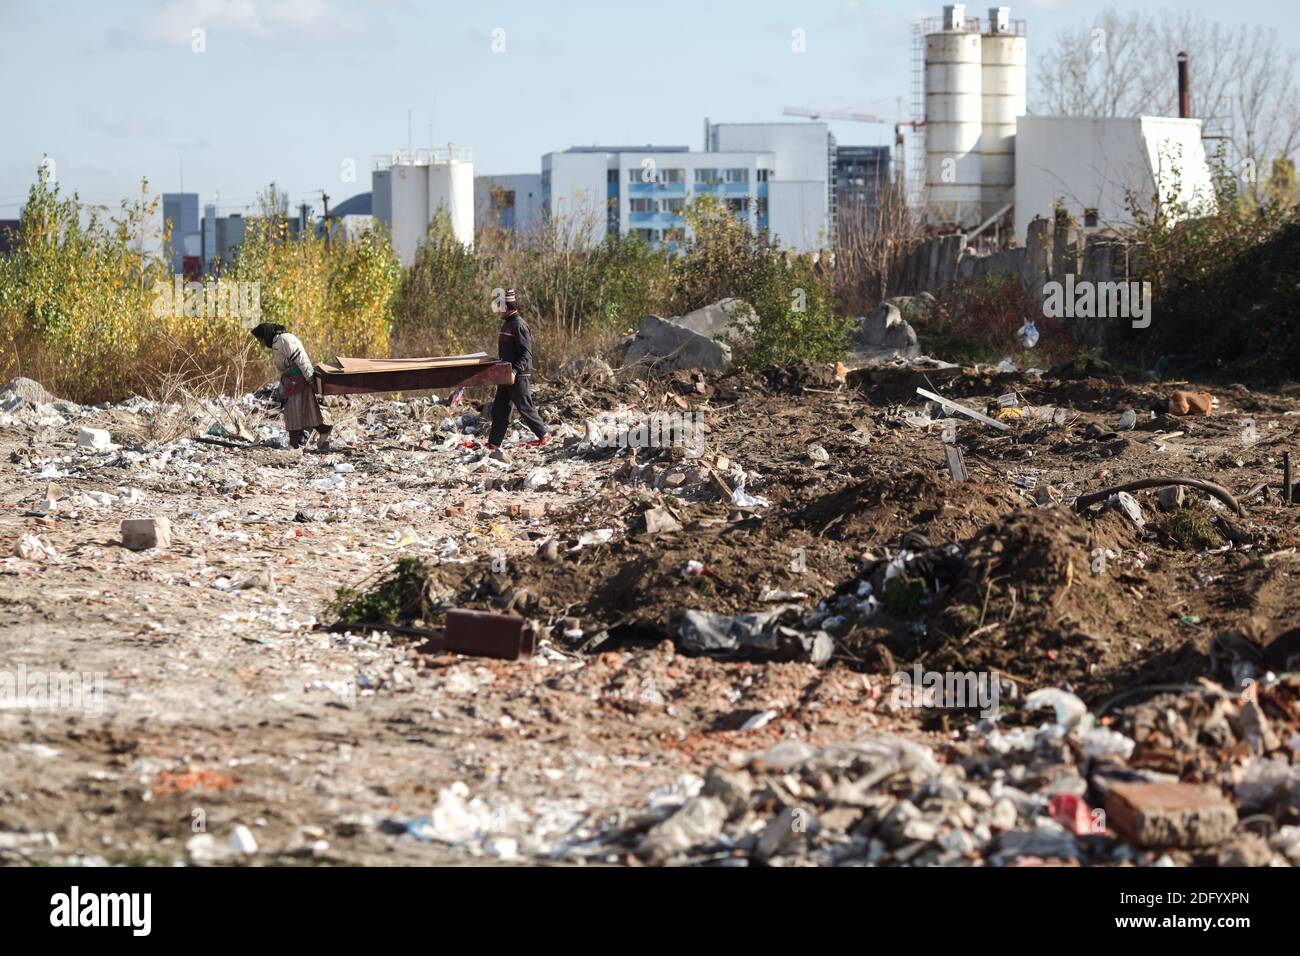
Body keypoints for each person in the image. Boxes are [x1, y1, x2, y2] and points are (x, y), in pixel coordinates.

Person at [250, 323, 333, 450]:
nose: (260, 342)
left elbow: (301, 359)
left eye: (260, 339)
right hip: (292, 380)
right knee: (306, 413)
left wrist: (310, 380)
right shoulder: (278, 342)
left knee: (292, 412)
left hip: (298, 380)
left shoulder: (284, 340)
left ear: (265, 335)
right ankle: (324, 430)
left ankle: (293, 446)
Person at [487, 289, 552, 452]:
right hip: (505, 374)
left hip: (518, 374)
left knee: (524, 406)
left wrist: (514, 371)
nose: (498, 310)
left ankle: (544, 435)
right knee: (500, 408)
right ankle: (494, 443)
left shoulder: (519, 325)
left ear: (508, 306)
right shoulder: (507, 324)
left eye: (500, 306)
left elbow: (526, 353)